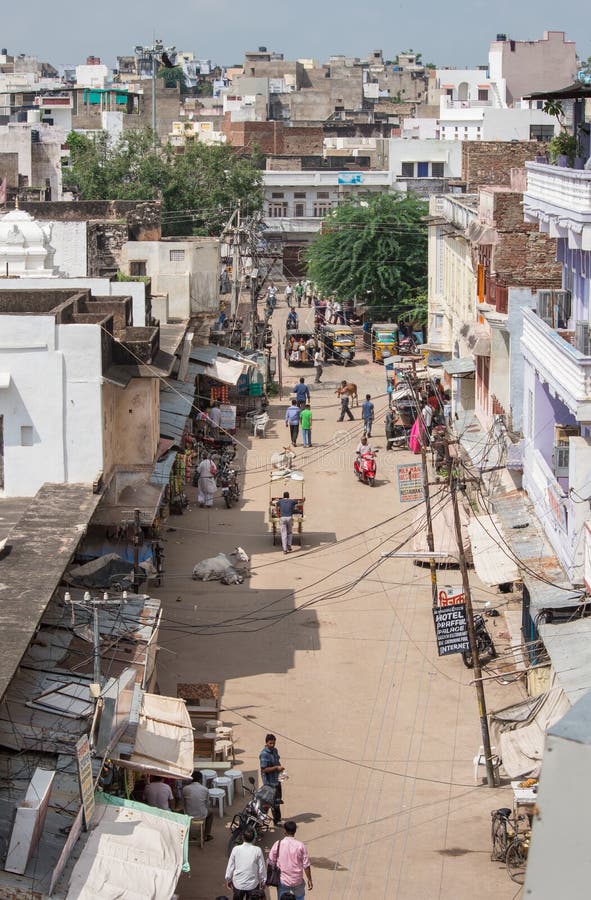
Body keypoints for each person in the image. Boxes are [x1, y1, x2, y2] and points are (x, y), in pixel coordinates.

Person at [269, 821, 313, 900]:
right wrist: (309, 879)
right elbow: (306, 865)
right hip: (297, 880)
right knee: (300, 897)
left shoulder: (278, 844)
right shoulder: (300, 846)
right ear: (295, 831)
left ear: (285, 831)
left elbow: (271, 860)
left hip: (283, 880)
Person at [225, 827, 266, 900]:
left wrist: (228, 878)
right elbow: (261, 868)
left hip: (238, 884)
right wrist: (263, 881)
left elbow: (230, 866)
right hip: (252, 885)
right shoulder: (257, 850)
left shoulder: (236, 849)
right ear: (254, 838)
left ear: (243, 837)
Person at [182, 771, 214, 842]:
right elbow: (207, 804)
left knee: (181, 810)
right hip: (201, 815)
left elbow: (183, 802)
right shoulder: (205, 789)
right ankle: (206, 835)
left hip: (188, 815)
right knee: (211, 813)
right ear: (200, 779)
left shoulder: (185, 789)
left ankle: (185, 834)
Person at [260, 733, 285, 823]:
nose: (272, 745)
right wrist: (276, 768)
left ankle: (277, 820)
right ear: (266, 743)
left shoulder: (275, 750)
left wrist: (281, 772)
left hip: (276, 780)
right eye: (270, 743)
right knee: (269, 802)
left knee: (277, 800)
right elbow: (264, 769)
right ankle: (263, 819)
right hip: (269, 783)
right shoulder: (264, 754)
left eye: (274, 743)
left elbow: (277, 761)